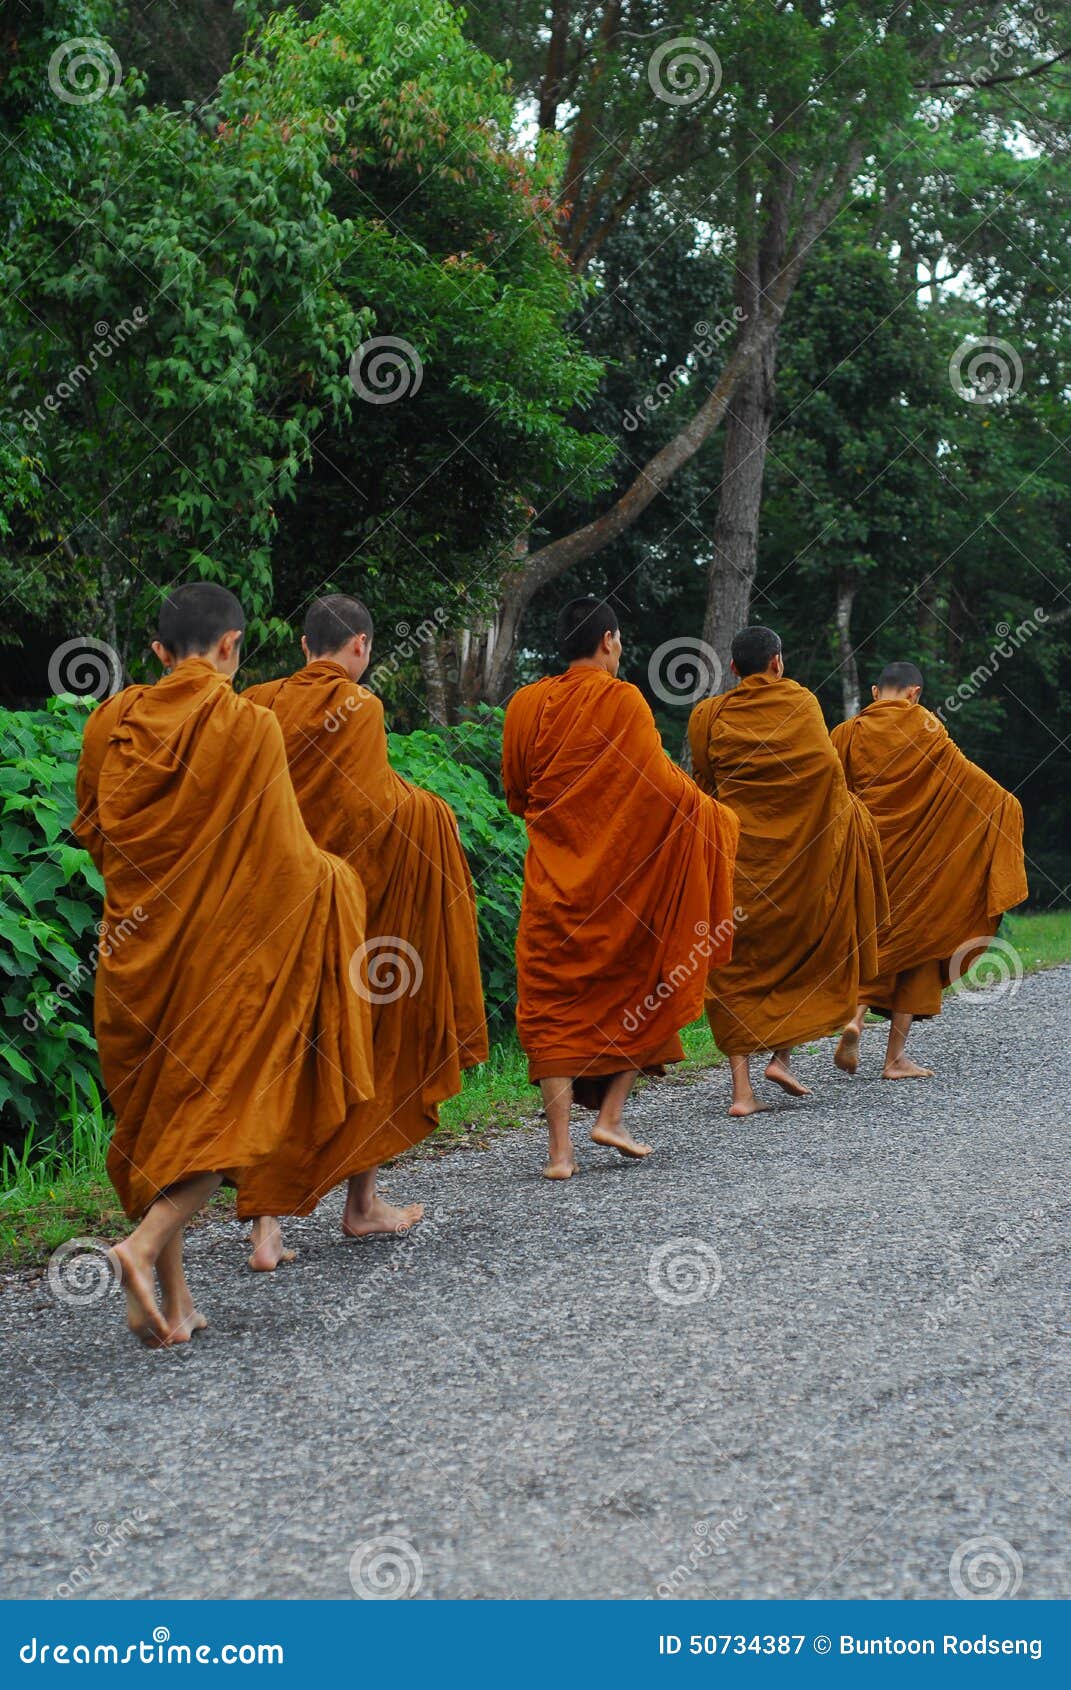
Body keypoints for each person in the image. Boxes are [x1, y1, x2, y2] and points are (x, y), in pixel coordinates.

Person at [73, 582, 373, 1345]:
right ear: (233, 646)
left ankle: (179, 1306)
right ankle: (139, 1250)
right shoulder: (247, 726)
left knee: (158, 1125)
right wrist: (343, 881)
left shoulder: (110, 721)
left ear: (158, 653)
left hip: (133, 961)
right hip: (216, 964)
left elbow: (95, 836)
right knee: (222, 1111)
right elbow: (287, 865)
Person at [238, 595, 487, 1257]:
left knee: (282, 1055)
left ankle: (266, 1226)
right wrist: (430, 810)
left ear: (302, 646)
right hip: (353, 913)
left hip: (272, 909)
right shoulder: (361, 706)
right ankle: (362, 1204)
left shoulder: (259, 700)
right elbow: (371, 813)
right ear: (361, 649)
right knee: (371, 1043)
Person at [503, 597, 739, 1178]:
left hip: (552, 887)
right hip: (620, 890)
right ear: (608, 639)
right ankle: (610, 1116)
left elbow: (516, 793)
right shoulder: (622, 699)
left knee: (549, 1005)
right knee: (646, 982)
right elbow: (658, 784)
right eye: (620, 640)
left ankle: (560, 1154)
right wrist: (717, 819)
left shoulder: (525, 705)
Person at [688, 625, 887, 1117]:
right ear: (778, 662)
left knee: (735, 965)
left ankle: (741, 1092)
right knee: (806, 946)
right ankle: (780, 1057)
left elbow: (704, 782)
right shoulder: (801, 704)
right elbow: (827, 775)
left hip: (739, 862)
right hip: (799, 864)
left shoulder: (709, 715)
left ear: (734, 669)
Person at [831, 660, 1028, 1079]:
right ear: (915, 694)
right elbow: (970, 783)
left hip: (866, 865)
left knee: (871, 942)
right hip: (918, 870)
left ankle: (855, 1018)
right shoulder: (928, 729)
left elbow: (828, 795)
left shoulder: (846, 734)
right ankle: (894, 1059)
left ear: (873, 692)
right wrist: (1007, 807)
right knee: (921, 944)